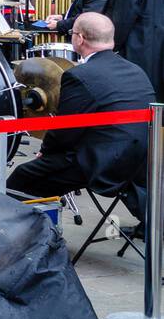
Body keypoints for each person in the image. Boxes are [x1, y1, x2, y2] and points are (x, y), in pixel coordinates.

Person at [8, 13, 155, 219]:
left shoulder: (80, 75)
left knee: (20, 179)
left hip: (102, 163)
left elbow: (65, 131)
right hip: (139, 160)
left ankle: (24, 237)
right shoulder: (135, 70)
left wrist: (46, 152)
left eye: (72, 33)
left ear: (80, 38)